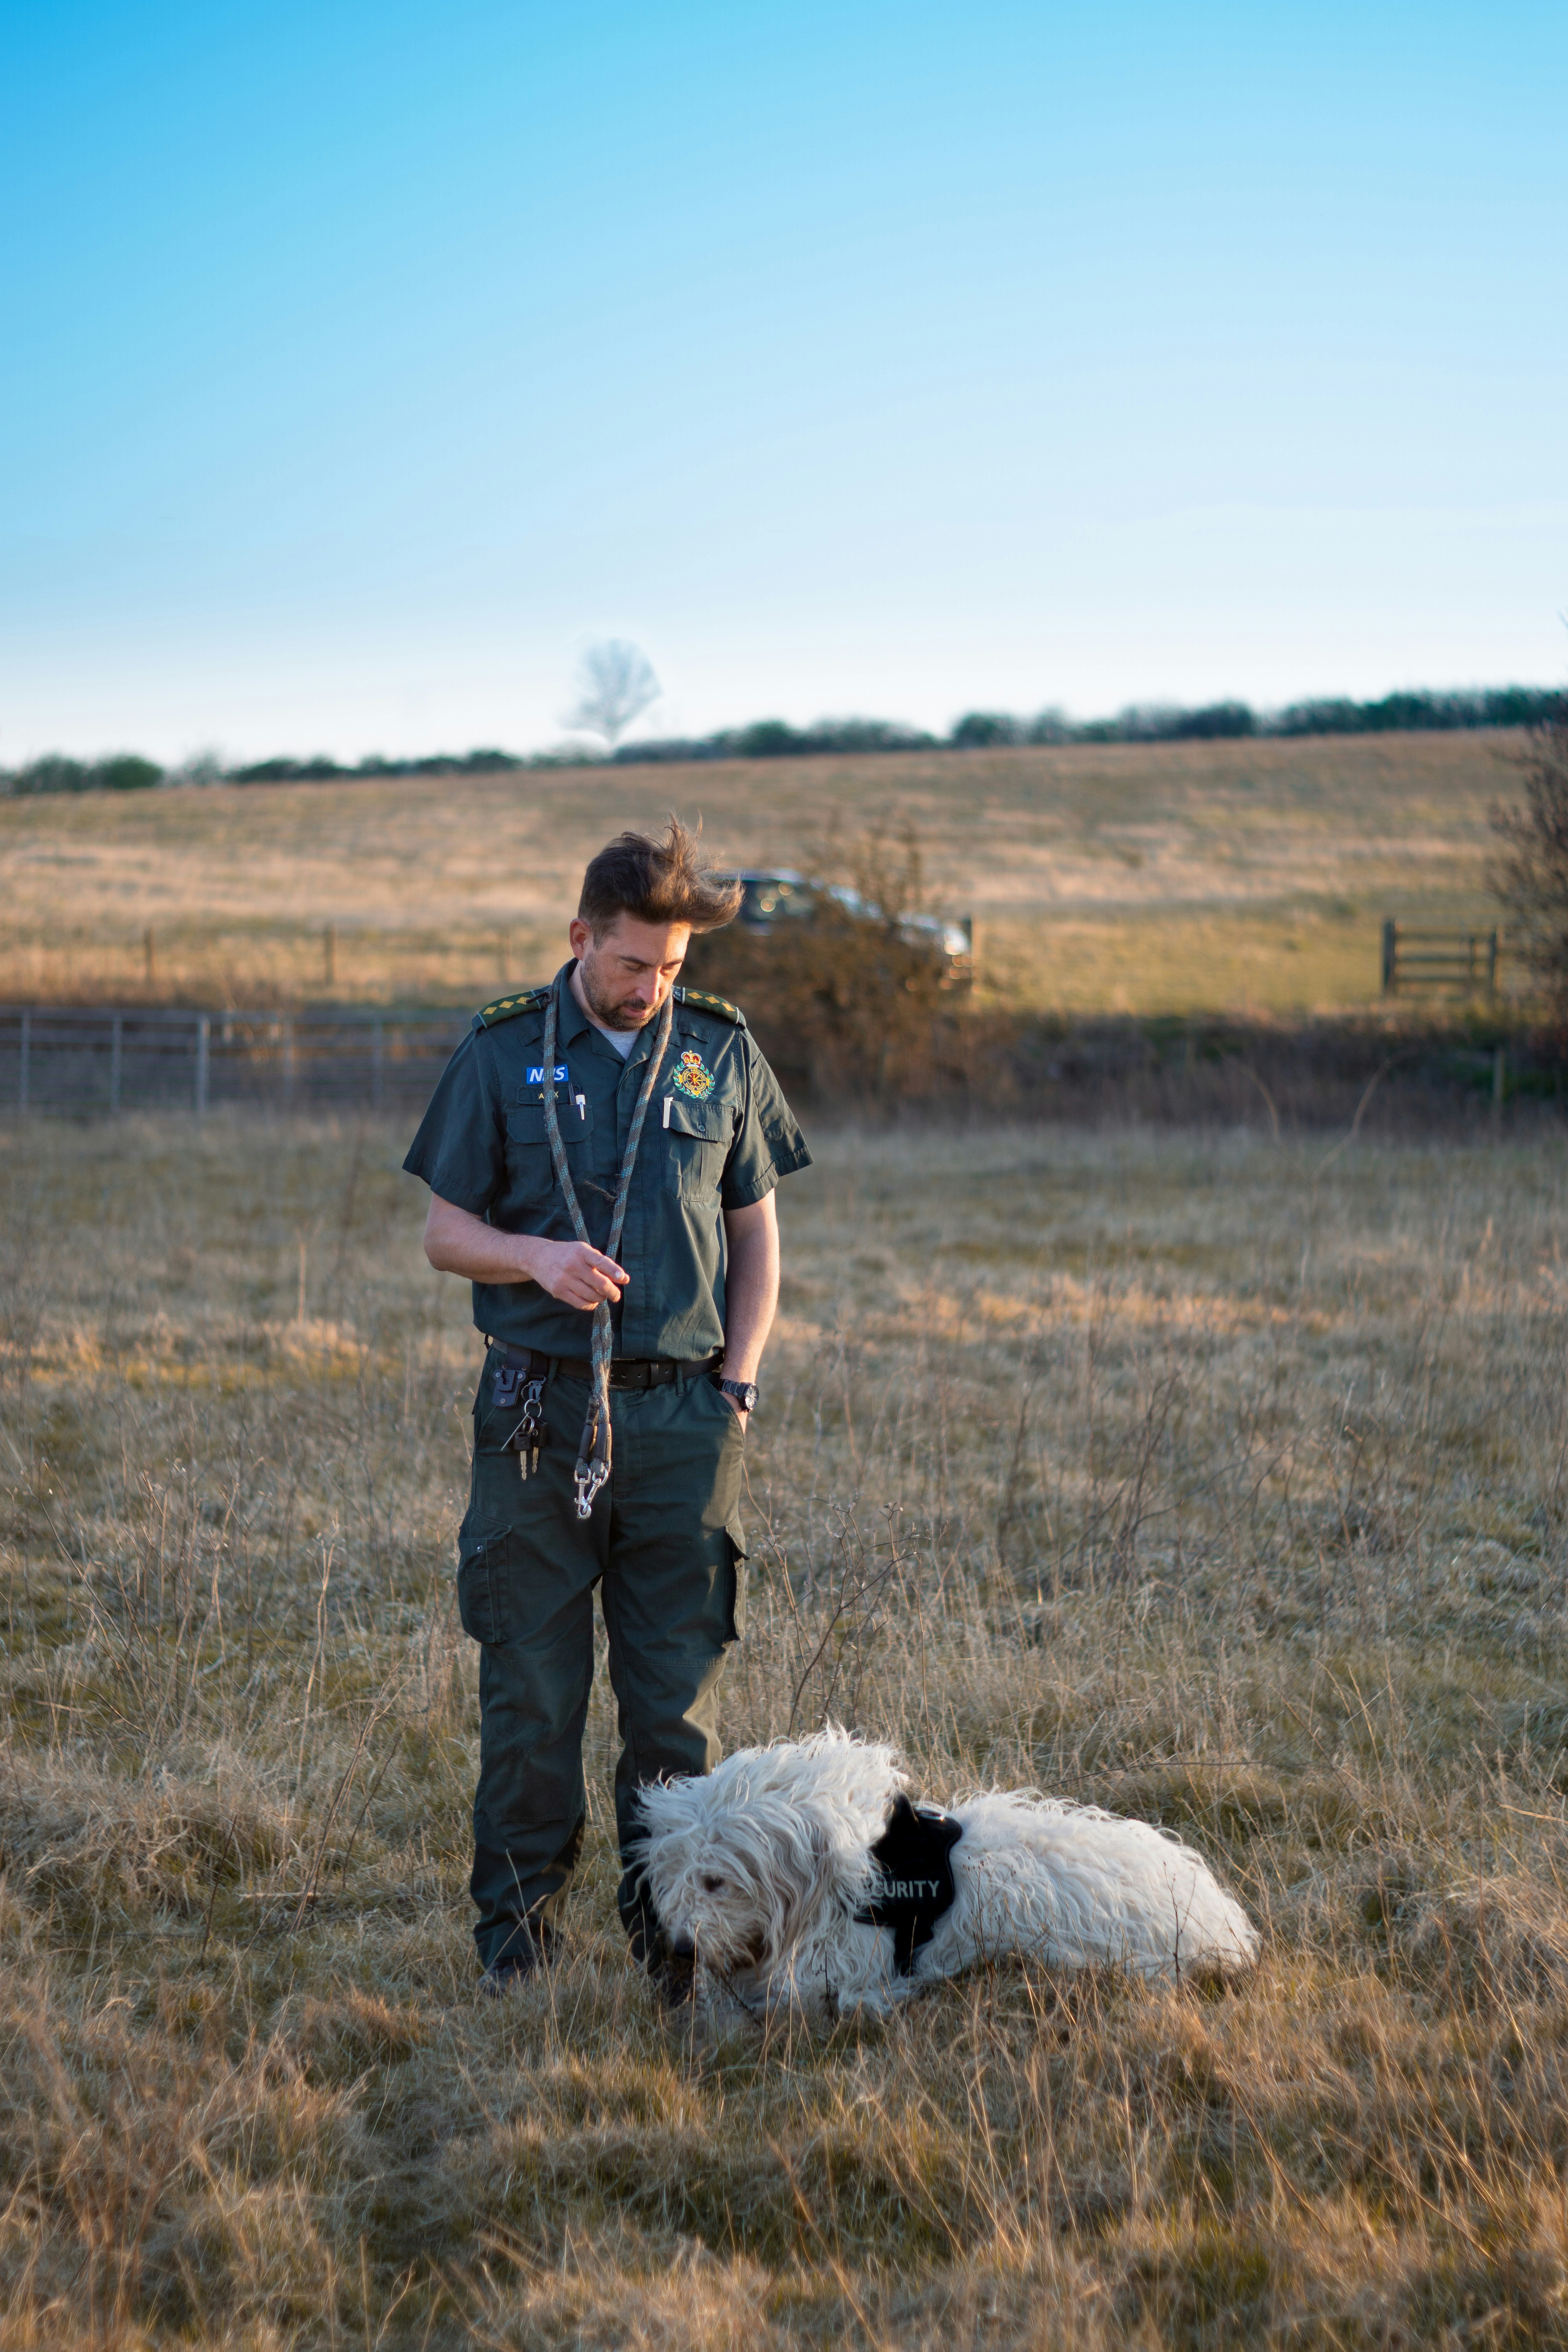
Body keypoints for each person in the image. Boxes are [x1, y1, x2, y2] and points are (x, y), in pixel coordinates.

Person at [403, 818, 812, 1995]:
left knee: (674, 1714)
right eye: (635, 963)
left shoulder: (722, 1053)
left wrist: (738, 1379)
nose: (654, 987)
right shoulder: (500, 1052)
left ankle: (675, 1952)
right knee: (531, 1698)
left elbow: (755, 1232)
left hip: (684, 1421)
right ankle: (516, 1954)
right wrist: (533, 1259)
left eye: (674, 966)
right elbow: (444, 1234)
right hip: (537, 1414)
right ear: (582, 937)